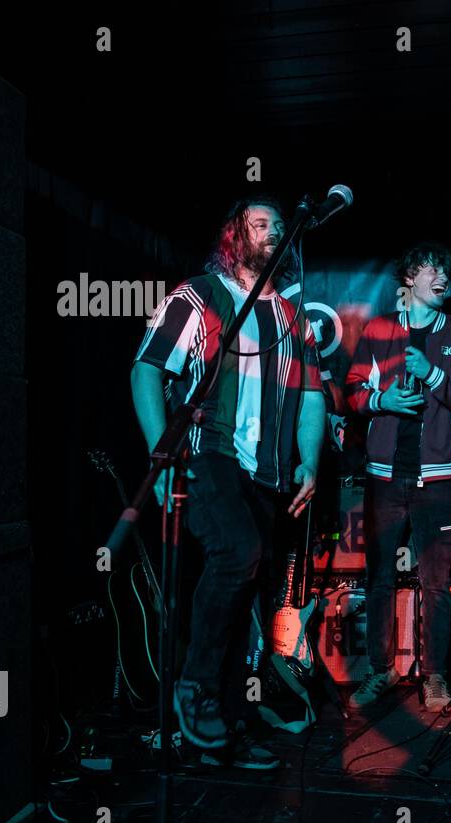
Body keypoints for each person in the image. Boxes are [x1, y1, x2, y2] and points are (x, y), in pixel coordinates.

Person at [130, 195, 325, 765]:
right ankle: (195, 685)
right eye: (261, 224)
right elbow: (146, 369)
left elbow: (312, 394)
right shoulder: (198, 297)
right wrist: (159, 453)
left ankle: (229, 727)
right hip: (206, 454)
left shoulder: (292, 319)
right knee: (238, 553)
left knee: (249, 577)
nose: (274, 232)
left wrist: (309, 459)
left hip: (266, 470)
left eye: (280, 226)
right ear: (235, 238)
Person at [343, 242, 451, 712]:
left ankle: (435, 677)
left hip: (438, 479)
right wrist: (382, 401)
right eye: (431, 268)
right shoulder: (379, 329)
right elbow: (351, 391)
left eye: (446, 269)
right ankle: (380, 671)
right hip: (385, 477)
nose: (441, 276)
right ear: (409, 277)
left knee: (434, 583)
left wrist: (431, 375)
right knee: (380, 579)